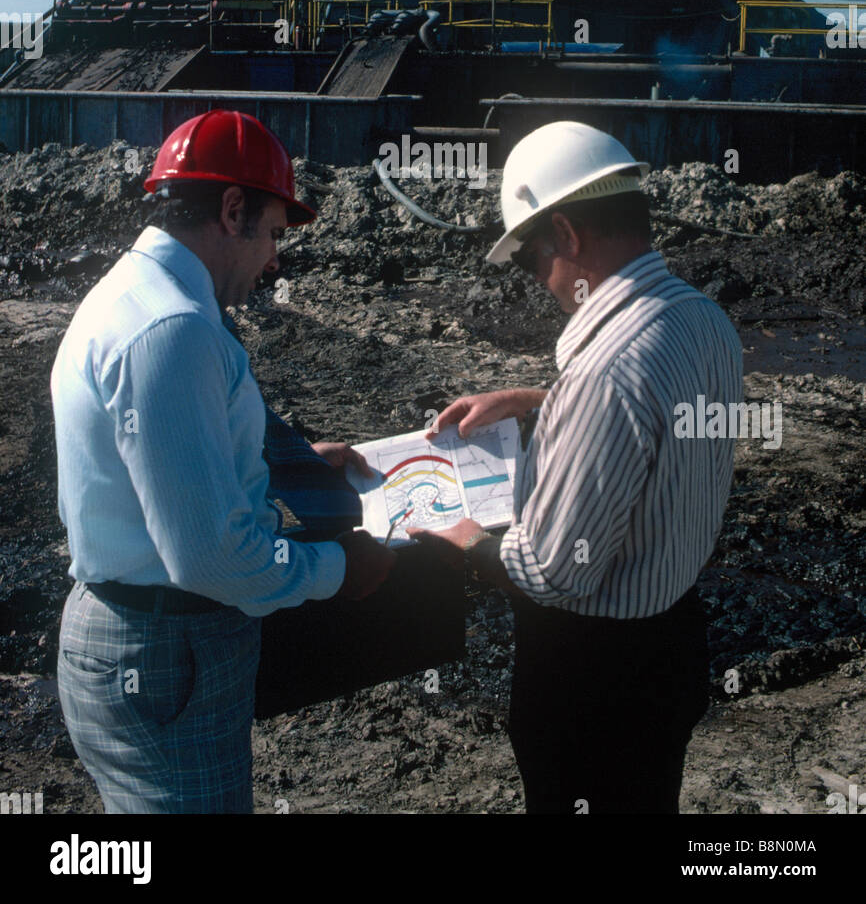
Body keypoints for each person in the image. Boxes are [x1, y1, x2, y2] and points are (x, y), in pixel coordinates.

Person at [51, 110, 394, 814]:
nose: (274, 260)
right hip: (165, 651)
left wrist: (274, 466)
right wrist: (339, 570)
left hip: (139, 641)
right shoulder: (170, 330)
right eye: (271, 232)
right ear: (232, 209)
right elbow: (209, 557)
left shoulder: (135, 295)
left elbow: (161, 467)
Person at [409, 120, 742, 815]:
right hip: (673, 645)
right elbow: (657, 418)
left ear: (566, 234)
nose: (540, 282)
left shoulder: (606, 372)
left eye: (533, 259)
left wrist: (462, 536)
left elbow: (552, 573)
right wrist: (536, 402)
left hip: (594, 676)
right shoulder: (703, 319)